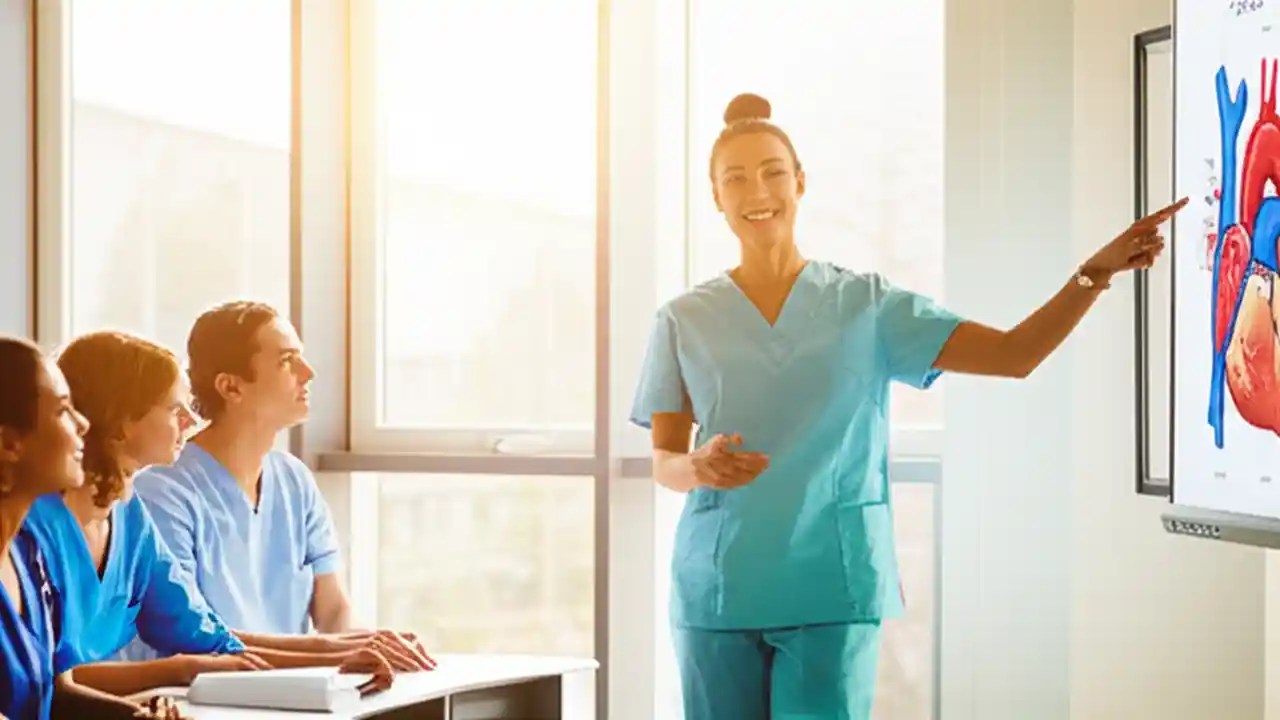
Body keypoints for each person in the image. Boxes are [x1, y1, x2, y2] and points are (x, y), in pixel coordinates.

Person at [630, 92, 1188, 719]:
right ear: (716, 196)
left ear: (800, 182)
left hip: (830, 591)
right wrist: (697, 466)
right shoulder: (683, 319)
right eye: (734, 178)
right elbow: (664, 461)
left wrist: (1095, 273)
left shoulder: (866, 306)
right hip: (716, 593)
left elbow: (1014, 355)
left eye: (772, 171)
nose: (756, 190)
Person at [25, 331, 414, 699]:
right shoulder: (36, 526)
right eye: (174, 410)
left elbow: (206, 638)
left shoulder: (132, 519)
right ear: (124, 421)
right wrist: (180, 669)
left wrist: (335, 658)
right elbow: (47, 679)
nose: (191, 422)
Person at [128, 302, 429, 662]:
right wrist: (332, 654)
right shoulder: (163, 493)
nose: (309, 372)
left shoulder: (294, 480)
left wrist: (373, 645)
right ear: (231, 387)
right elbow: (193, 636)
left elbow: (333, 612)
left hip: (294, 688)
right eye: (287, 361)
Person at [0, 335, 188, 720]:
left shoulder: (28, 562)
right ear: (8, 444)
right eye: (62, 411)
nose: (84, 424)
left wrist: (135, 717)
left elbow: (58, 694)